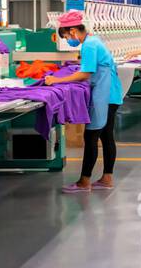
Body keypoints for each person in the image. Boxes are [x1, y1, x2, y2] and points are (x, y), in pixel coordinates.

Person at [47, 11, 122, 192]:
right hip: (111, 93)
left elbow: (84, 74)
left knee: (91, 137)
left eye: (66, 36)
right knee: (106, 137)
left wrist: (56, 80)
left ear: (72, 31)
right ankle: (106, 179)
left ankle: (84, 182)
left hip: (104, 96)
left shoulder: (89, 45)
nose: (68, 40)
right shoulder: (94, 41)